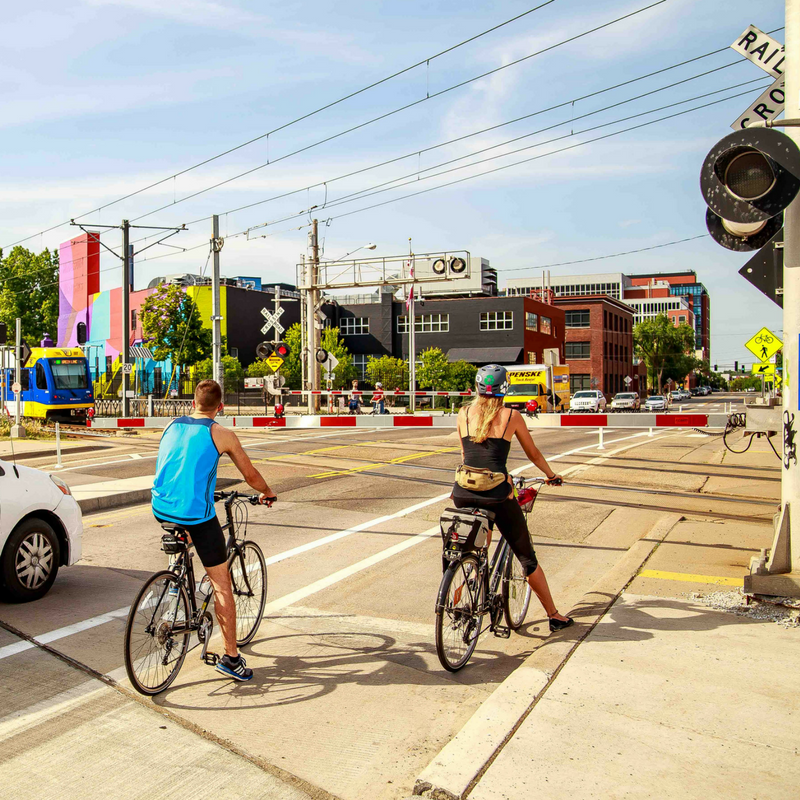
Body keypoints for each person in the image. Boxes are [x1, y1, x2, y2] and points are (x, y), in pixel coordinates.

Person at [151, 380, 277, 682]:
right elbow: (250, 475)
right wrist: (267, 492)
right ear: (220, 406)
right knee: (222, 584)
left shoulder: (171, 426)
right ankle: (231, 659)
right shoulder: (221, 433)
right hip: (195, 513)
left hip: (160, 507)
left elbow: (178, 466)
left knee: (187, 546)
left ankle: (175, 587)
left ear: (194, 401)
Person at [452, 364, 573, 632]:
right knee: (526, 557)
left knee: (471, 549)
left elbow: (465, 456)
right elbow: (533, 453)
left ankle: (462, 591)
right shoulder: (511, 416)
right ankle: (553, 615)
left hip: (462, 492)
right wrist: (551, 475)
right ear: (504, 389)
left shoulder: (462, 413)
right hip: (496, 494)